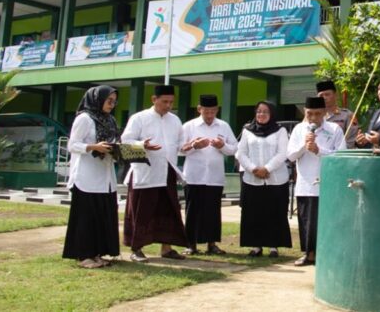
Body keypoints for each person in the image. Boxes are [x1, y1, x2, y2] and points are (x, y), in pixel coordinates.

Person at [121, 84, 187, 262]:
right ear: (154, 99)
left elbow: (180, 145)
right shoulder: (139, 118)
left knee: (168, 210)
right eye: (165, 101)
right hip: (145, 172)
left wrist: (189, 146)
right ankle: (136, 249)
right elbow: (125, 141)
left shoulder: (175, 120)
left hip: (167, 171)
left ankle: (166, 248)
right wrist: (143, 145)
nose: (168, 105)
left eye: (171, 102)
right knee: (141, 210)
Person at [62, 86, 120, 268]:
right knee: (86, 218)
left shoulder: (109, 120)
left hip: (105, 175)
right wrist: (93, 147)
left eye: (114, 101)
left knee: (101, 216)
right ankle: (83, 256)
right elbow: (72, 145)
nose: (112, 105)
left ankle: (97, 253)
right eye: (108, 100)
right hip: (87, 177)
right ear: (97, 99)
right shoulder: (85, 119)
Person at [288, 96, 346, 266]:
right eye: (309, 114)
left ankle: (324, 254)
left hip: (326, 182)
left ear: (325, 112)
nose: (313, 118)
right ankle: (308, 253)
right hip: (305, 182)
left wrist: (320, 150)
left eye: (317, 114)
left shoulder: (334, 129)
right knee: (306, 219)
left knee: (324, 220)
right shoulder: (299, 129)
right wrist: (303, 146)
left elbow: (341, 155)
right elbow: (290, 155)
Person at [180, 94, 238, 255]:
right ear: (199, 109)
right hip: (194, 176)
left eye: (213, 111)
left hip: (214, 176)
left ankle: (212, 244)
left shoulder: (223, 126)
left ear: (217, 110)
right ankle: (191, 244)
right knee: (193, 211)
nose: (210, 115)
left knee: (212, 211)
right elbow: (179, 149)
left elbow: (234, 148)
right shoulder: (189, 126)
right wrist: (194, 145)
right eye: (207, 111)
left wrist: (222, 146)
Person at [236, 101, 292, 258]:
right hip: (252, 179)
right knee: (254, 213)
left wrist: (266, 169)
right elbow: (240, 153)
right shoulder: (247, 130)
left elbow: (283, 153)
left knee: (274, 212)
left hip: (275, 179)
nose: (261, 115)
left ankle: (273, 246)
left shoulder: (280, 131)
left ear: (272, 114)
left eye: (265, 112)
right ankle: (256, 246)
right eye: (258, 111)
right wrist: (254, 169)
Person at [316, 80, 358, 149]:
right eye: (321, 95)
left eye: (327, 94)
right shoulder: (314, 117)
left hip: (339, 156)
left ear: (335, 95)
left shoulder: (347, 115)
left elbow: (350, 141)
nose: (324, 98)